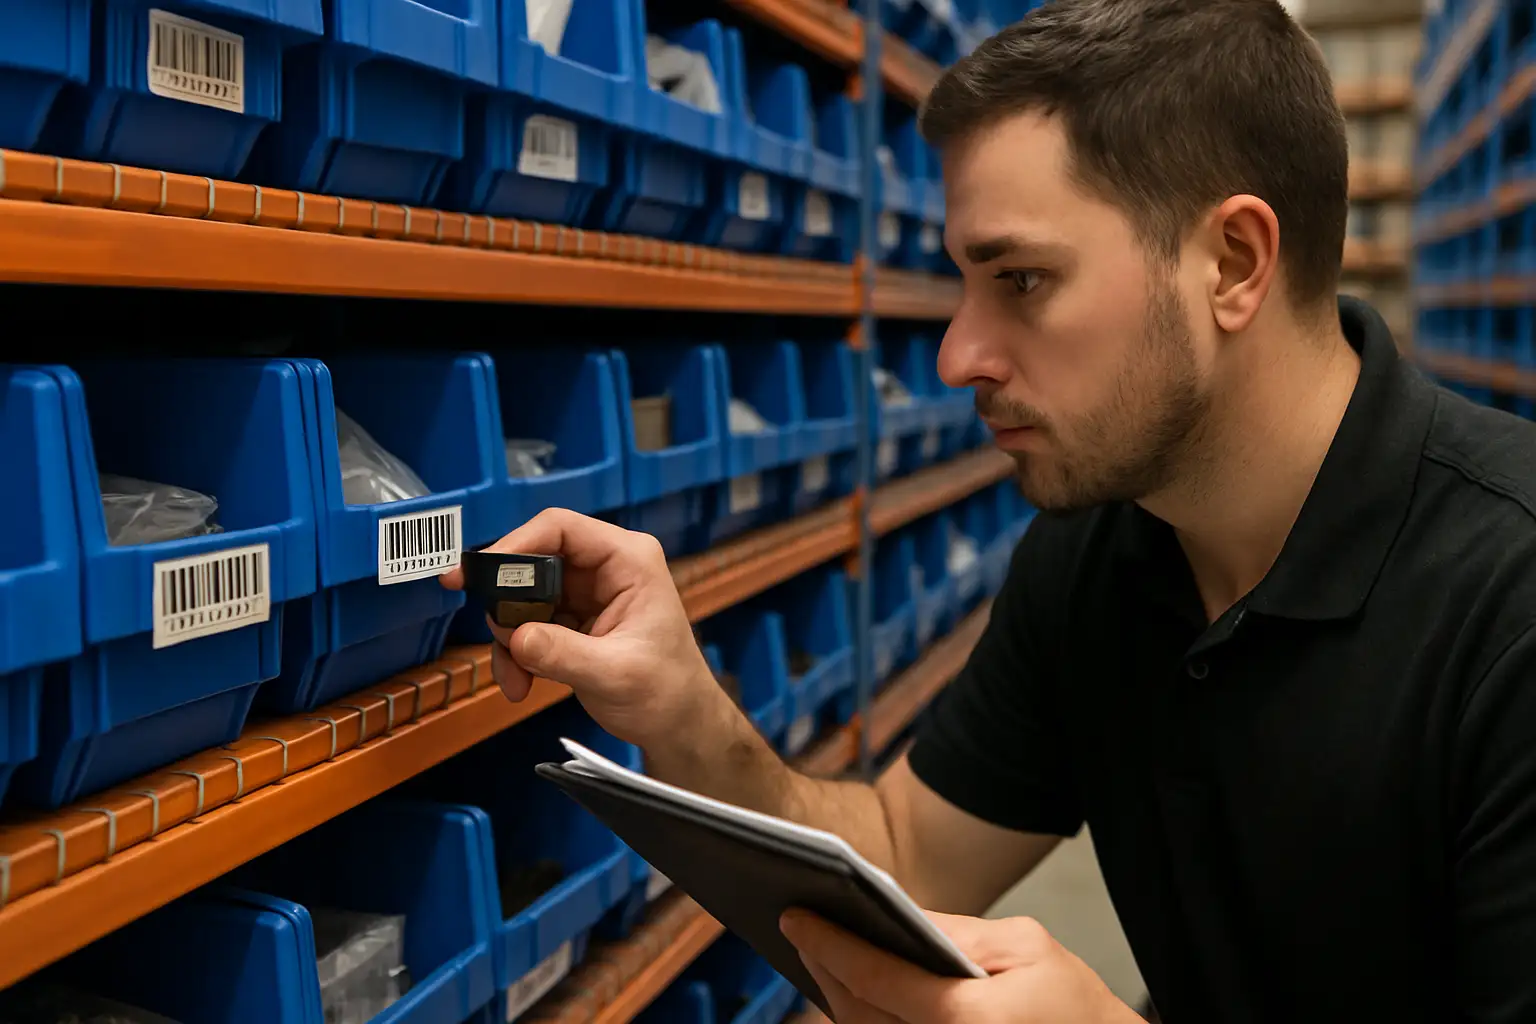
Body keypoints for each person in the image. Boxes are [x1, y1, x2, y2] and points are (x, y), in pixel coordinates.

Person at [445, 0, 1536, 1020]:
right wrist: (684, 711)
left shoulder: (1508, 599)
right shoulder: (1105, 547)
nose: (960, 353)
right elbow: (907, 855)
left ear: (1232, 262)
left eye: (1018, 280)